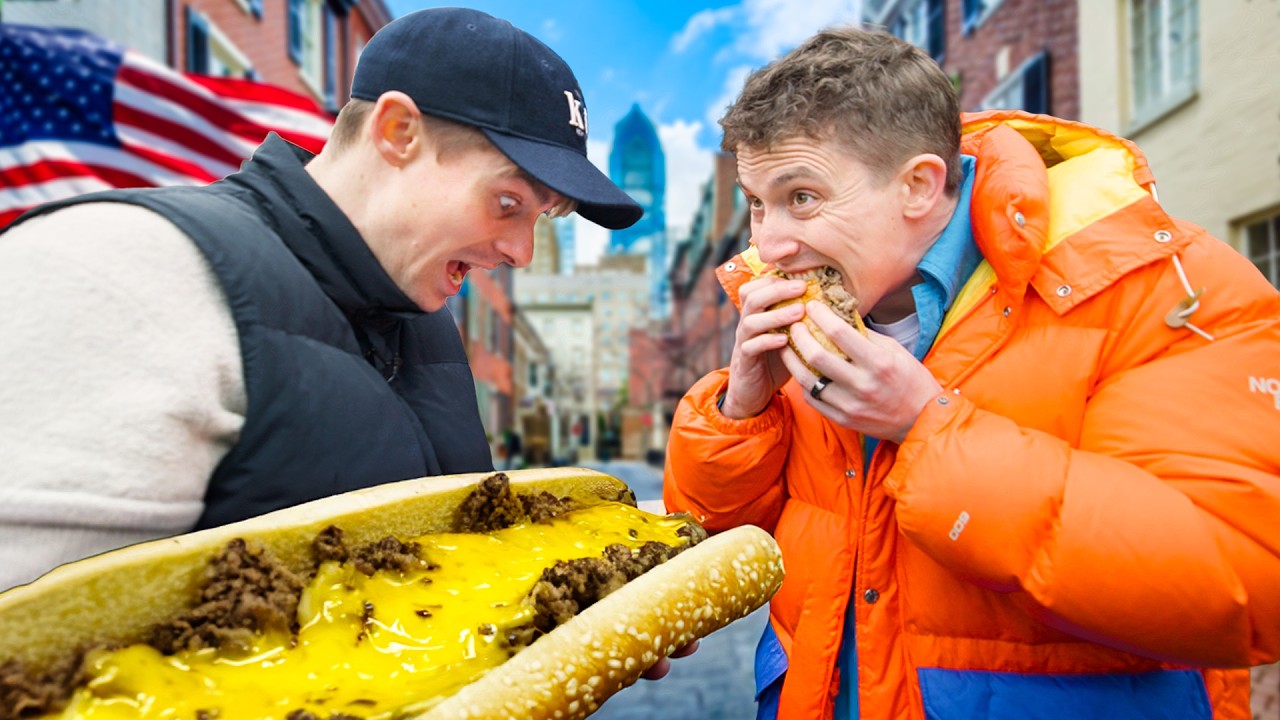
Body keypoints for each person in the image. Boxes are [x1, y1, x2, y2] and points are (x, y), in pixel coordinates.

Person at [664, 26, 1280, 720]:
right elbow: (708, 548)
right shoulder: (805, 307)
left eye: (801, 197)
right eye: (756, 202)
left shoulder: (1165, 289)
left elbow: (1244, 580)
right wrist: (741, 413)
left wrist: (928, 429)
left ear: (918, 186)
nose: (768, 244)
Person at [0, 8, 642, 592]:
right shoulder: (127, 264)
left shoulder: (426, 323)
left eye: (541, 218)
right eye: (507, 202)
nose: (521, 252)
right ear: (397, 131)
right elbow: (36, 645)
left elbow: (443, 583)